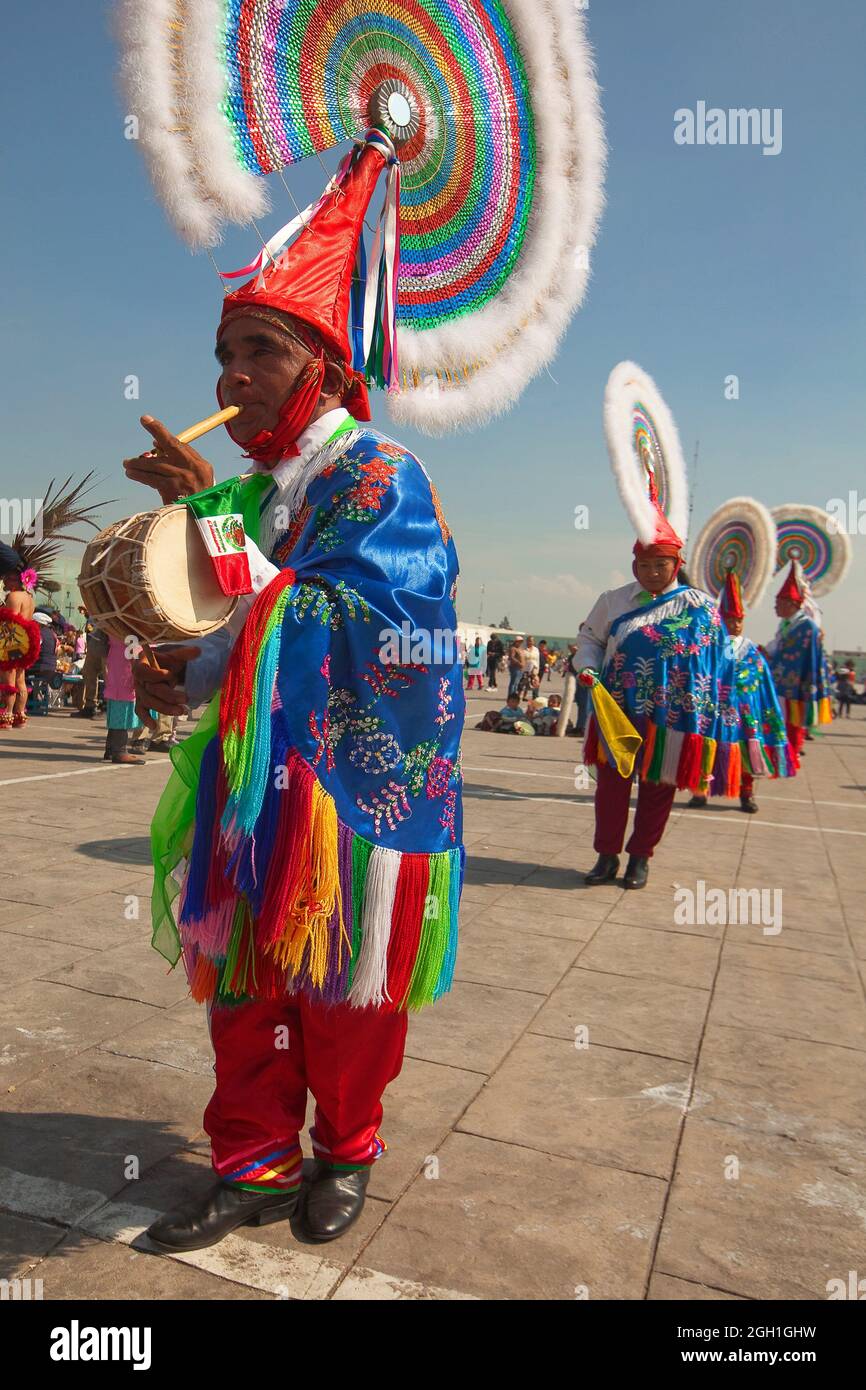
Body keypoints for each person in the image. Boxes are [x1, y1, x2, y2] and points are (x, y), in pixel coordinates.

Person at [127, 132, 464, 1253]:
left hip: (350, 792)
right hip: (251, 785)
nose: (229, 379)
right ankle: (252, 1162)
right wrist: (191, 660)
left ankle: (345, 1148)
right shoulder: (254, 491)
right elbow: (249, 621)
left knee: (341, 988)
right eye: (224, 354)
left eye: (258, 352)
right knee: (242, 982)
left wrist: (217, 530)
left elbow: (369, 628)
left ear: (321, 368)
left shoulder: (380, 474)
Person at [575, 506, 739, 890]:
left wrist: (711, 712)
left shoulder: (700, 608)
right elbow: (589, 639)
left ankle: (640, 858)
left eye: (660, 564)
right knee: (611, 787)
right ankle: (606, 855)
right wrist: (586, 666)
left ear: (676, 564)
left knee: (658, 786)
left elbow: (717, 660)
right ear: (634, 565)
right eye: (645, 564)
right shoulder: (612, 601)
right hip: (616, 709)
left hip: (673, 714)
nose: (652, 572)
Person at [688, 571, 793, 814]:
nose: (734, 625)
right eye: (729, 620)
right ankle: (700, 791)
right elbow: (700, 675)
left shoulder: (751, 650)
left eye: (739, 620)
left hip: (745, 715)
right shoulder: (709, 648)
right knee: (707, 752)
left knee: (747, 755)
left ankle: (747, 795)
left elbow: (760, 681)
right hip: (712, 714)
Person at [766, 559, 833, 763]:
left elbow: (804, 658)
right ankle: (781, 757)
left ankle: (790, 757)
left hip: (797, 684)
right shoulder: (786, 624)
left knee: (794, 723)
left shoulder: (807, 628)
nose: (775, 608)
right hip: (781, 683)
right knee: (781, 722)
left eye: (778, 604)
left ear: (791, 604)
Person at [0, 542, 40, 730]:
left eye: (7, 579)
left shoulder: (14, 597)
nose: (4, 582)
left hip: (12, 642)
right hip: (26, 642)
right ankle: (20, 715)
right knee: (20, 680)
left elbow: (10, 622)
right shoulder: (30, 599)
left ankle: (6, 716)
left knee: (8, 680)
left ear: (16, 579)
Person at [72, 624, 108, 717]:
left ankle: (107, 705)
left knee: (108, 674)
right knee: (88, 671)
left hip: (110, 637)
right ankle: (90, 706)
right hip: (97, 638)